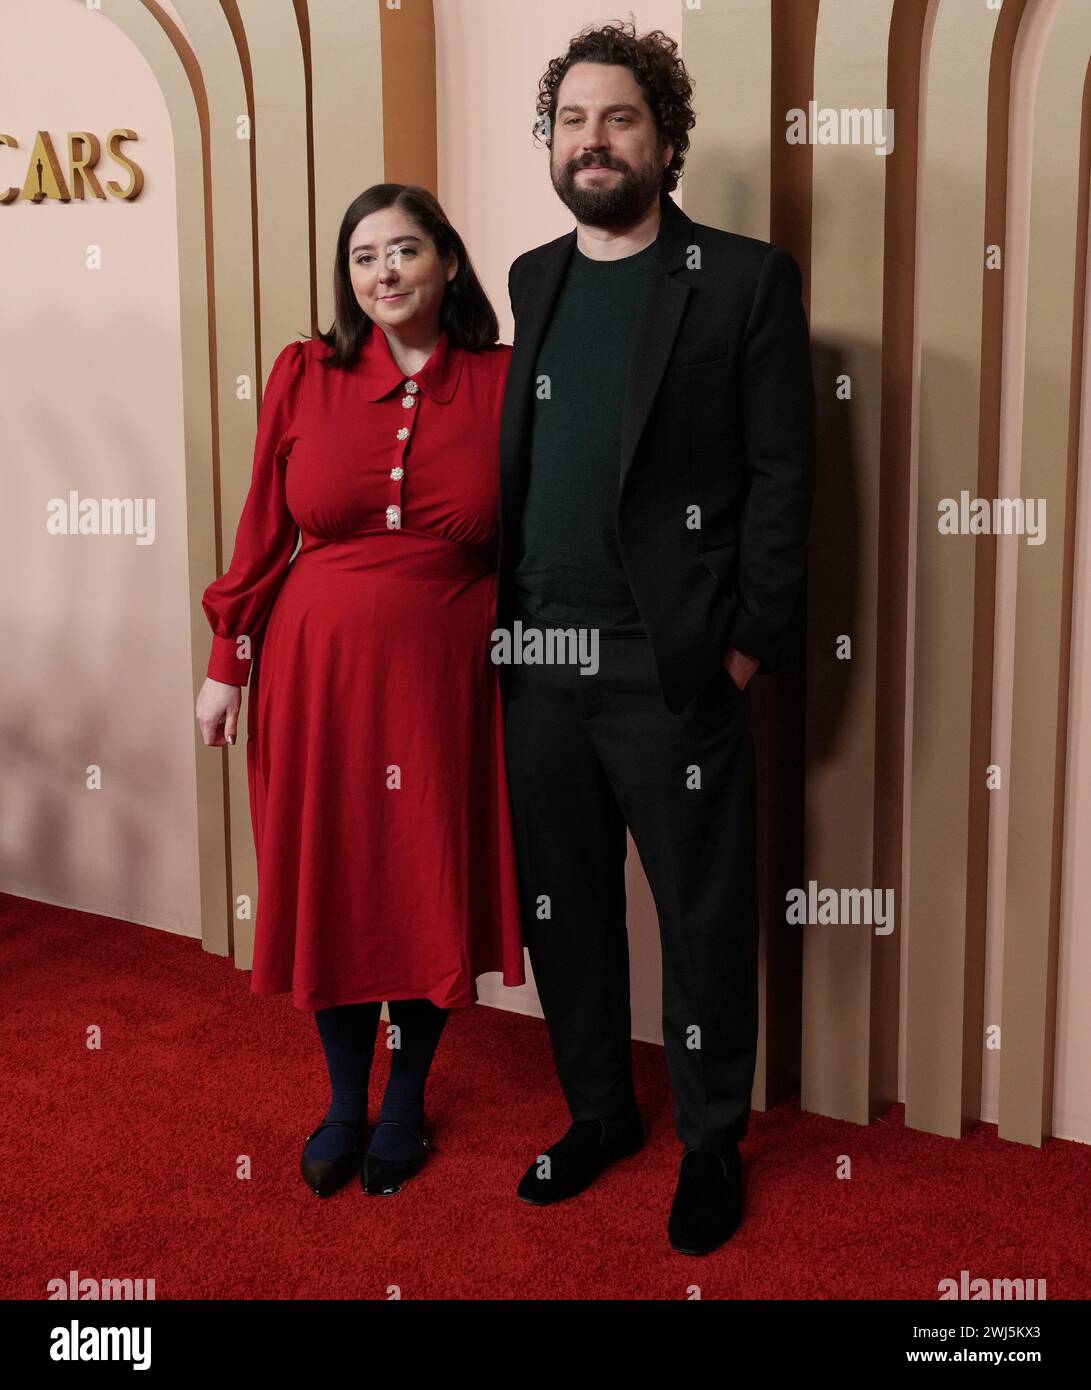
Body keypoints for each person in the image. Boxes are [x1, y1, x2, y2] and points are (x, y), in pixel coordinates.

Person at [498, 21, 815, 1254]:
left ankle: (709, 1140)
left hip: (668, 661)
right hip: (536, 659)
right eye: (570, 120)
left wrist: (739, 645)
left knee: (695, 917)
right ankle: (596, 1116)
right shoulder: (532, 277)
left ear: (665, 139)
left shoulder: (740, 278)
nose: (591, 140)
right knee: (562, 910)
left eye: (617, 118)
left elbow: (783, 478)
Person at [195, 184, 526, 1200]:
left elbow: (540, 541)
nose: (383, 273)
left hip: (444, 676)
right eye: (363, 257)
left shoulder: (510, 380)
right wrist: (225, 662)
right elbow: (263, 528)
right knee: (331, 880)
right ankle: (345, 1099)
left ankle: (408, 1094)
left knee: (422, 881)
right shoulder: (304, 371)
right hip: (314, 671)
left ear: (448, 263)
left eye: (405, 251)